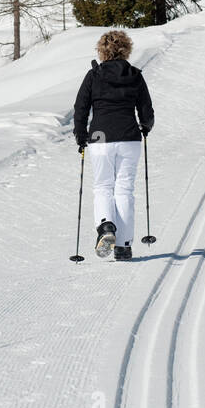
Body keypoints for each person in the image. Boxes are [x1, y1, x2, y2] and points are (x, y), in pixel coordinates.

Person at [73, 29, 154, 261]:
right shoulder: (135, 75)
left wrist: (81, 135)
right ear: (126, 49)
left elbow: (81, 108)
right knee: (125, 189)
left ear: (101, 51)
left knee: (103, 187)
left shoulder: (94, 75)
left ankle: (106, 226)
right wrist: (145, 127)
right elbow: (146, 110)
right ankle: (124, 246)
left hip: (100, 136)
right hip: (129, 136)